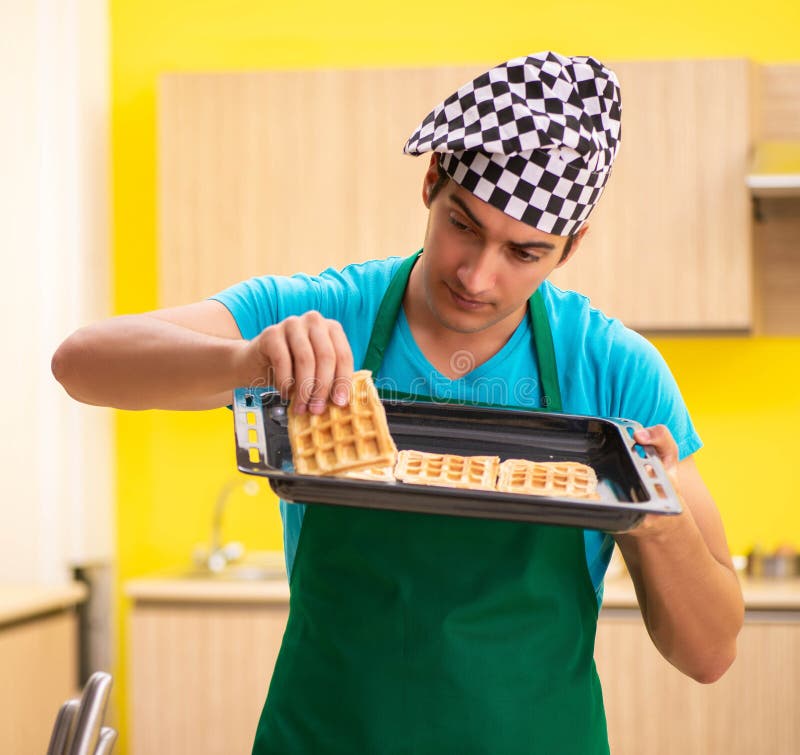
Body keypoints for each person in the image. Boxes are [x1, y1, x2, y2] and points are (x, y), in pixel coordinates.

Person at [52, 51, 744, 754]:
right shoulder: (328, 312)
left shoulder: (613, 370)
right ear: (431, 183)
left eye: (525, 252)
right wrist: (247, 359)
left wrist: (653, 520)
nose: (479, 275)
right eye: (464, 225)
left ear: (571, 247)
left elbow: (710, 652)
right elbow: (81, 363)